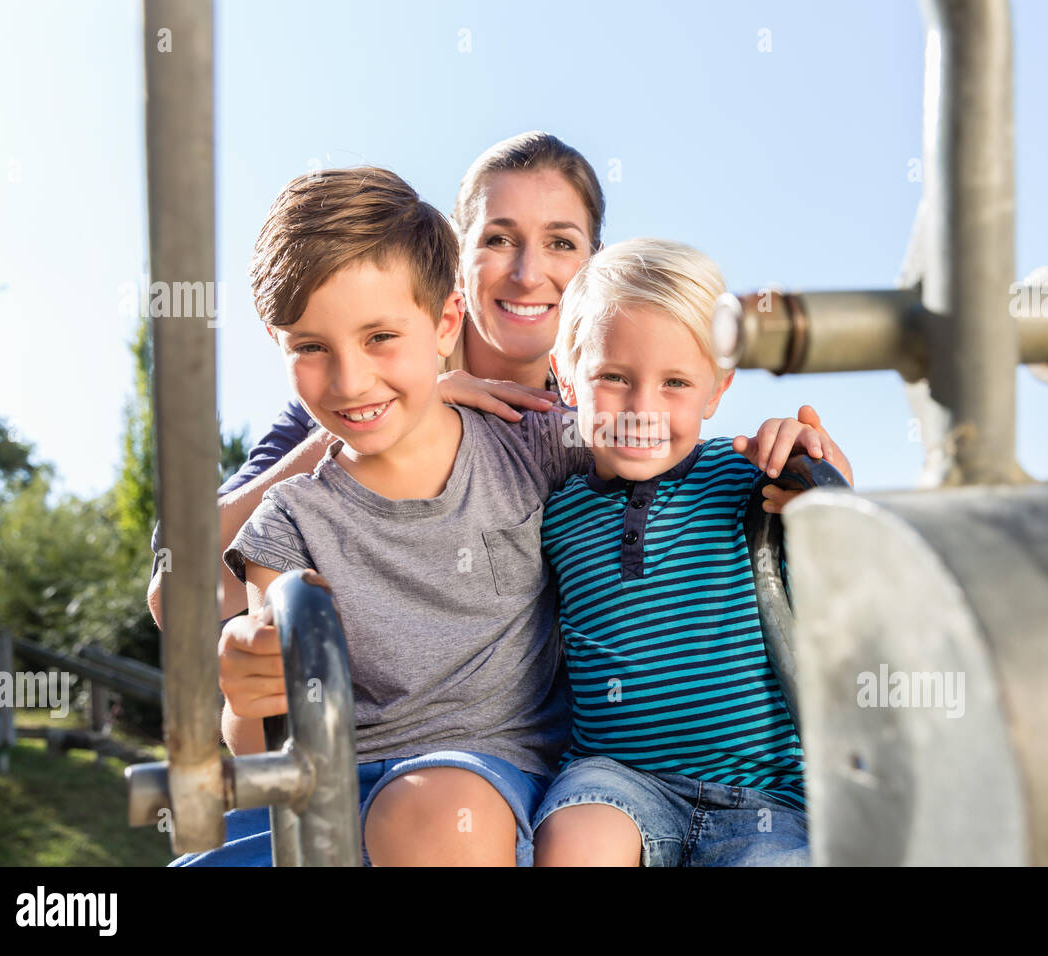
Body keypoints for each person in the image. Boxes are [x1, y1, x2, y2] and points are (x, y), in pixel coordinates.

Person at [172, 166, 837, 867]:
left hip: (480, 786)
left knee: (437, 816)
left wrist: (813, 474)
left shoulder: (535, 443)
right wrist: (245, 696)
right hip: (329, 796)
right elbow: (264, 739)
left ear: (444, 323)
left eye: (381, 339)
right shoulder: (286, 514)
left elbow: (654, 439)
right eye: (310, 347)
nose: (350, 380)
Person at [145, 130, 855, 628]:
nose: (527, 272)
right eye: (497, 238)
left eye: (561, 243)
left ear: (594, 265)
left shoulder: (609, 421)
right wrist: (405, 420)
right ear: (455, 257)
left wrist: (806, 477)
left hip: (566, 776)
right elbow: (182, 597)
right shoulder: (354, 394)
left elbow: (719, 524)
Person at [531, 239, 820, 866]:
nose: (641, 409)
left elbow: (843, 550)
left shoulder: (750, 480)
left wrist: (817, 478)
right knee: (573, 842)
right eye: (613, 377)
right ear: (566, 375)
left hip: (767, 798)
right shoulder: (556, 513)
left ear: (716, 391)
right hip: (615, 779)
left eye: (676, 383)